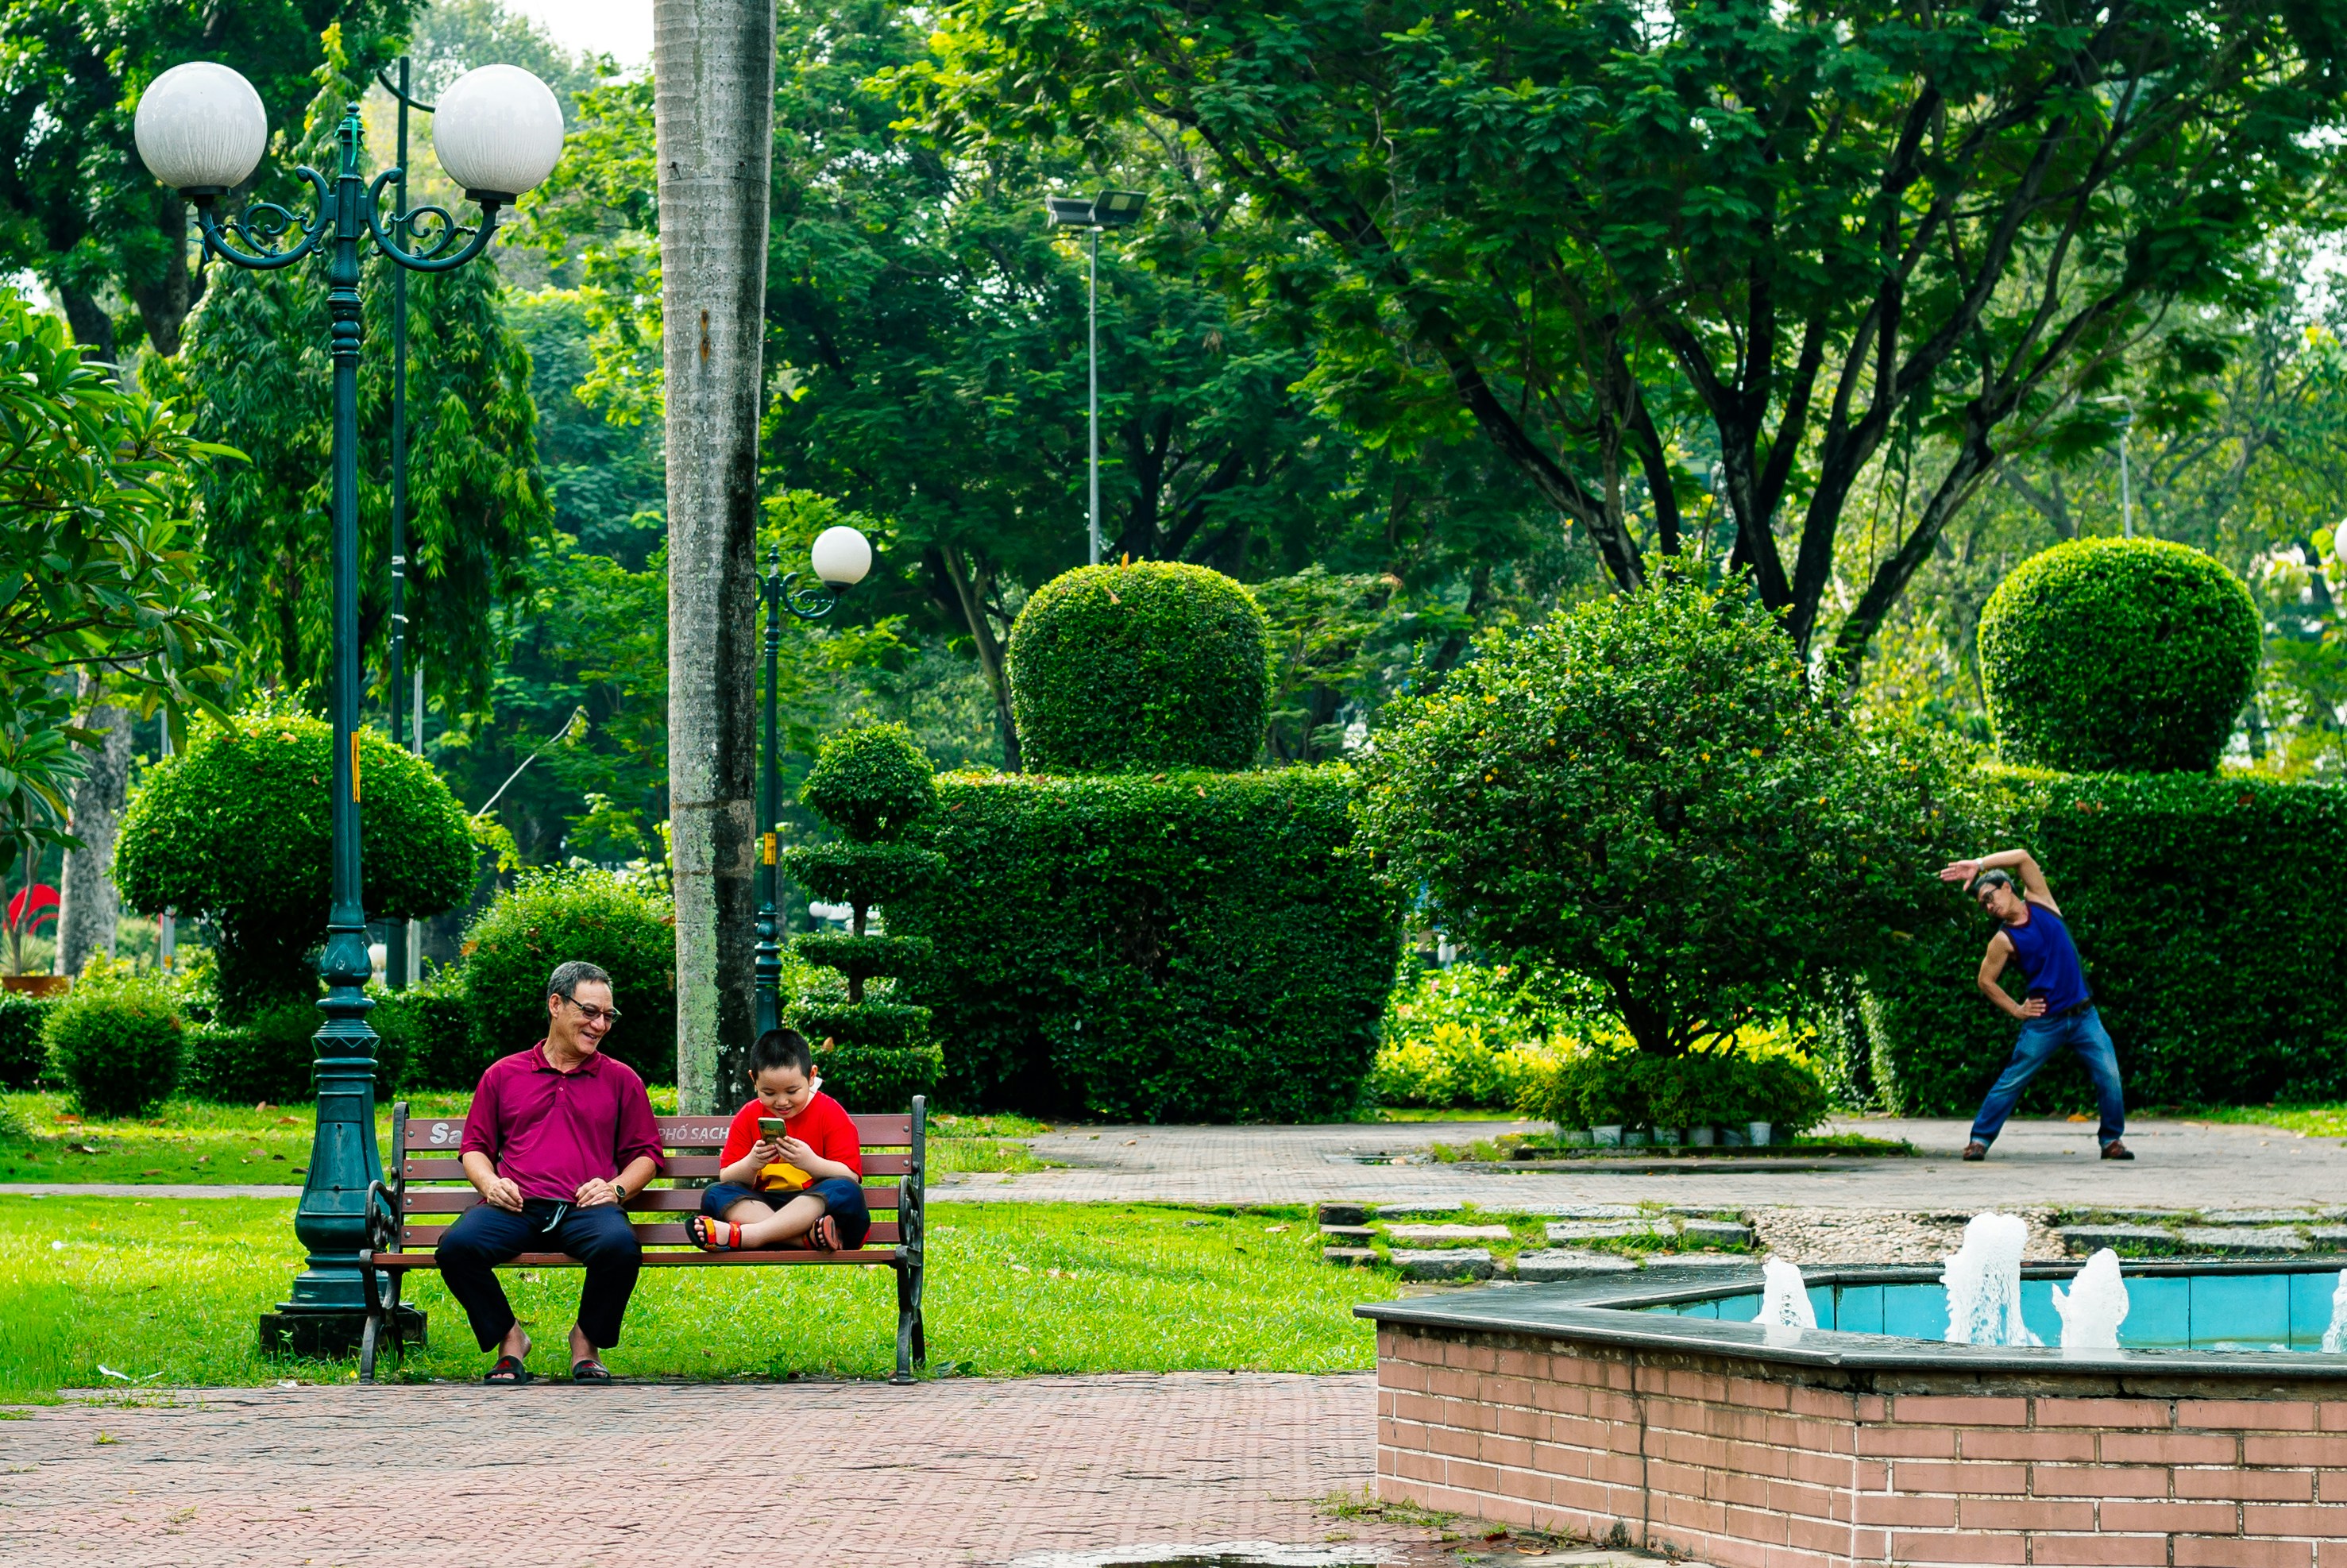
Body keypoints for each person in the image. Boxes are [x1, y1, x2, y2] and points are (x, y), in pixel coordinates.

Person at [435, 960, 664, 1385]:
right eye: (590, 1012)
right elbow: (475, 1148)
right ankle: (510, 1339)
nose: (600, 1025)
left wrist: (614, 1189)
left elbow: (646, 1155)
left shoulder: (621, 1079)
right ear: (556, 1004)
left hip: (586, 1208)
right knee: (456, 1248)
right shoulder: (503, 1074)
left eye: (608, 1015)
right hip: (516, 1206)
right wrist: (490, 1183)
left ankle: (586, 1342)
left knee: (620, 1247)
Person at [1939, 850, 2132, 1163]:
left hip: (2084, 1016)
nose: (1989, 907)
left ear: (2006, 887)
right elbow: (1985, 981)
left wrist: (1978, 865)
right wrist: (2017, 1009)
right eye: (1983, 905)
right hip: (2044, 1023)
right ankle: (1979, 1140)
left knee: (2109, 1074)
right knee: (2013, 1079)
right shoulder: (2002, 940)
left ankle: (2112, 1141)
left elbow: (2023, 858)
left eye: (1990, 897)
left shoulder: (2042, 900)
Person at [686, 1028, 869, 1253]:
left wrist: (810, 1162)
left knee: (845, 1190)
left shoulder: (830, 1112)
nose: (782, 1102)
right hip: (771, 1207)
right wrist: (751, 1163)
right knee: (715, 1193)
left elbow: (850, 1176)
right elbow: (727, 1175)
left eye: (792, 1091)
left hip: (817, 1209)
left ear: (811, 1076)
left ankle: (751, 1236)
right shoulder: (749, 1115)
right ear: (753, 1079)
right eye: (769, 1093)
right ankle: (803, 1239)